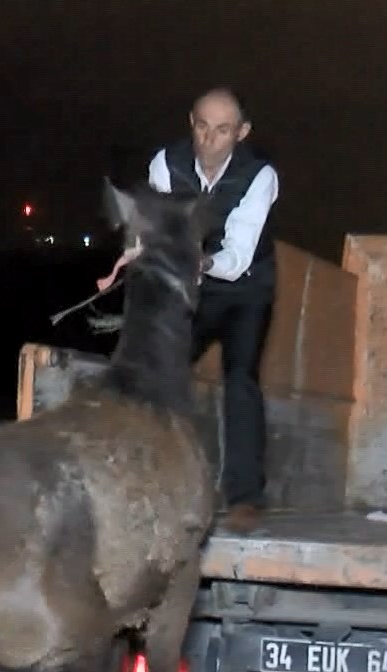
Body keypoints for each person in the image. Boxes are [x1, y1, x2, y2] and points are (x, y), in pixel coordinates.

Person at [146, 86, 281, 526]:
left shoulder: (260, 175)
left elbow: (240, 252)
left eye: (222, 131)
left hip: (245, 287)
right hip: (194, 286)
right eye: (202, 127)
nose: (209, 140)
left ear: (240, 132)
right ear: (192, 123)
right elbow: (163, 228)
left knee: (240, 378)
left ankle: (245, 498)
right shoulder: (165, 165)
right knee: (162, 369)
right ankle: (159, 486)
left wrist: (200, 261)